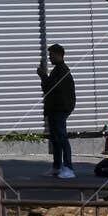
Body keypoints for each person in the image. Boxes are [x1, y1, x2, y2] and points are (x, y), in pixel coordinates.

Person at [38, 43, 76, 178]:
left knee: (61, 137)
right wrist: (44, 77)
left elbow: (51, 88)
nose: (49, 58)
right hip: (55, 109)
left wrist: (43, 76)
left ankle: (68, 167)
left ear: (58, 54)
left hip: (60, 108)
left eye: (51, 55)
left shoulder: (62, 70)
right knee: (55, 138)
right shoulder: (58, 70)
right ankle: (57, 166)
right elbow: (48, 89)